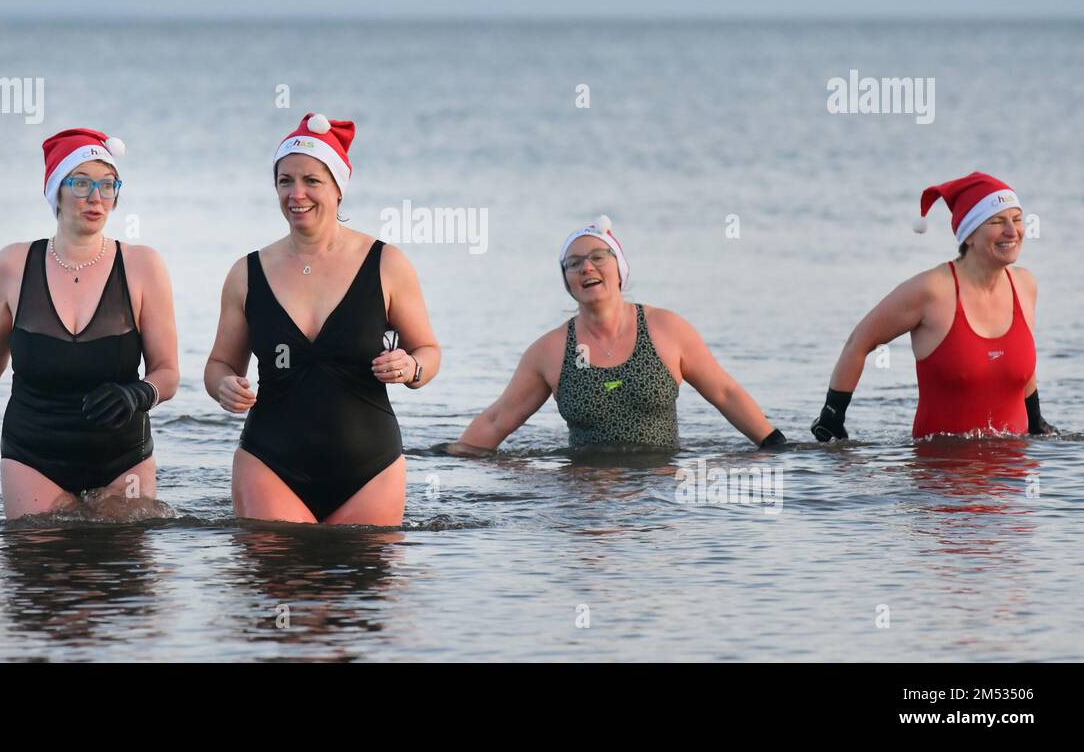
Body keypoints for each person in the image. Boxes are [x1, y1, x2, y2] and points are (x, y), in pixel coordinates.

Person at [0, 128, 180, 517]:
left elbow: (168, 373)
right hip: (34, 455)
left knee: (120, 567)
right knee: (36, 564)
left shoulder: (143, 266)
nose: (96, 197)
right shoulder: (14, 265)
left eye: (108, 185)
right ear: (55, 190)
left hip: (122, 457)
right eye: (81, 183)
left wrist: (139, 394)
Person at [204, 114, 440, 526]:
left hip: (371, 468)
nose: (297, 194)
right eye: (285, 181)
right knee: (276, 586)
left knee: (366, 589)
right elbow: (219, 365)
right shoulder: (246, 272)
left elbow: (429, 352)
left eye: (312, 181)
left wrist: (411, 366)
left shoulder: (386, 264)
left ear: (338, 188)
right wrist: (224, 386)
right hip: (270, 463)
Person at [450, 216, 785, 456]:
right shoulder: (549, 351)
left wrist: (775, 444)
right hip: (582, 496)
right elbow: (497, 420)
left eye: (598, 258)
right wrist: (448, 458)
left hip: (658, 497)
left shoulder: (666, 329)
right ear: (567, 281)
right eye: (574, 263)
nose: (586, 268)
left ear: (620, 269)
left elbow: (725, 393)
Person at [811, 172, 1056, 441]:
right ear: (969, 235)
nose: (1013, 231)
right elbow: (859, 341)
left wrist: (1036, 421)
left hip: (1013, 477)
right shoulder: (932, 290)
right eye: (998, 221)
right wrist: (832, 419)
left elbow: (1019, 366)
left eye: (1017, 219)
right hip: (939, 473)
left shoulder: (1024, 285)